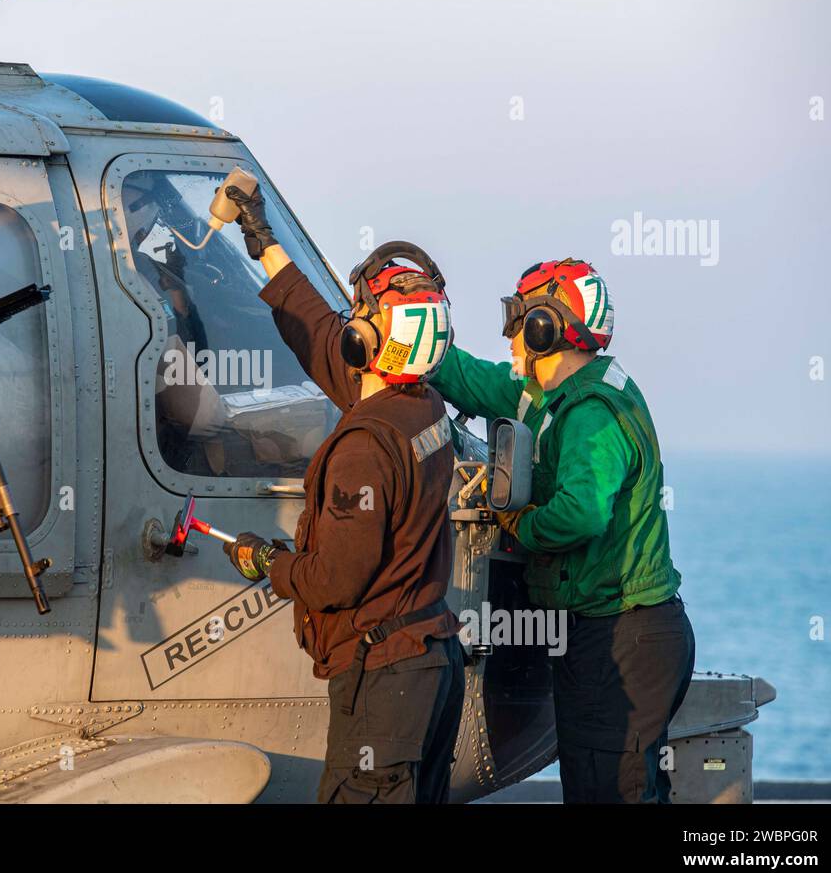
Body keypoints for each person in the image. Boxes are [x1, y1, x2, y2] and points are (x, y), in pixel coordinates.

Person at [219, 183, 464, 804]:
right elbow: (318, 334)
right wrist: (264, 244)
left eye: (360, 316)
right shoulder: (419, 405)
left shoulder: (364, 446)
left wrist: (265, 561)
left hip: (382, 682)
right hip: (429, 666)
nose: (349, 324)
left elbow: (334, 582)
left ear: (375, 342)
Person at [429, 258, 695, 803]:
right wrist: (411, 338)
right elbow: (470, 377)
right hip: (610, 634)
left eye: (518, 318)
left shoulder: (592, 412)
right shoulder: (548, 393)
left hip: (623, 638)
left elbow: (581, 512)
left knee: (610, 793)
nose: (509, 335)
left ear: (545, 328)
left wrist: (519, 523)